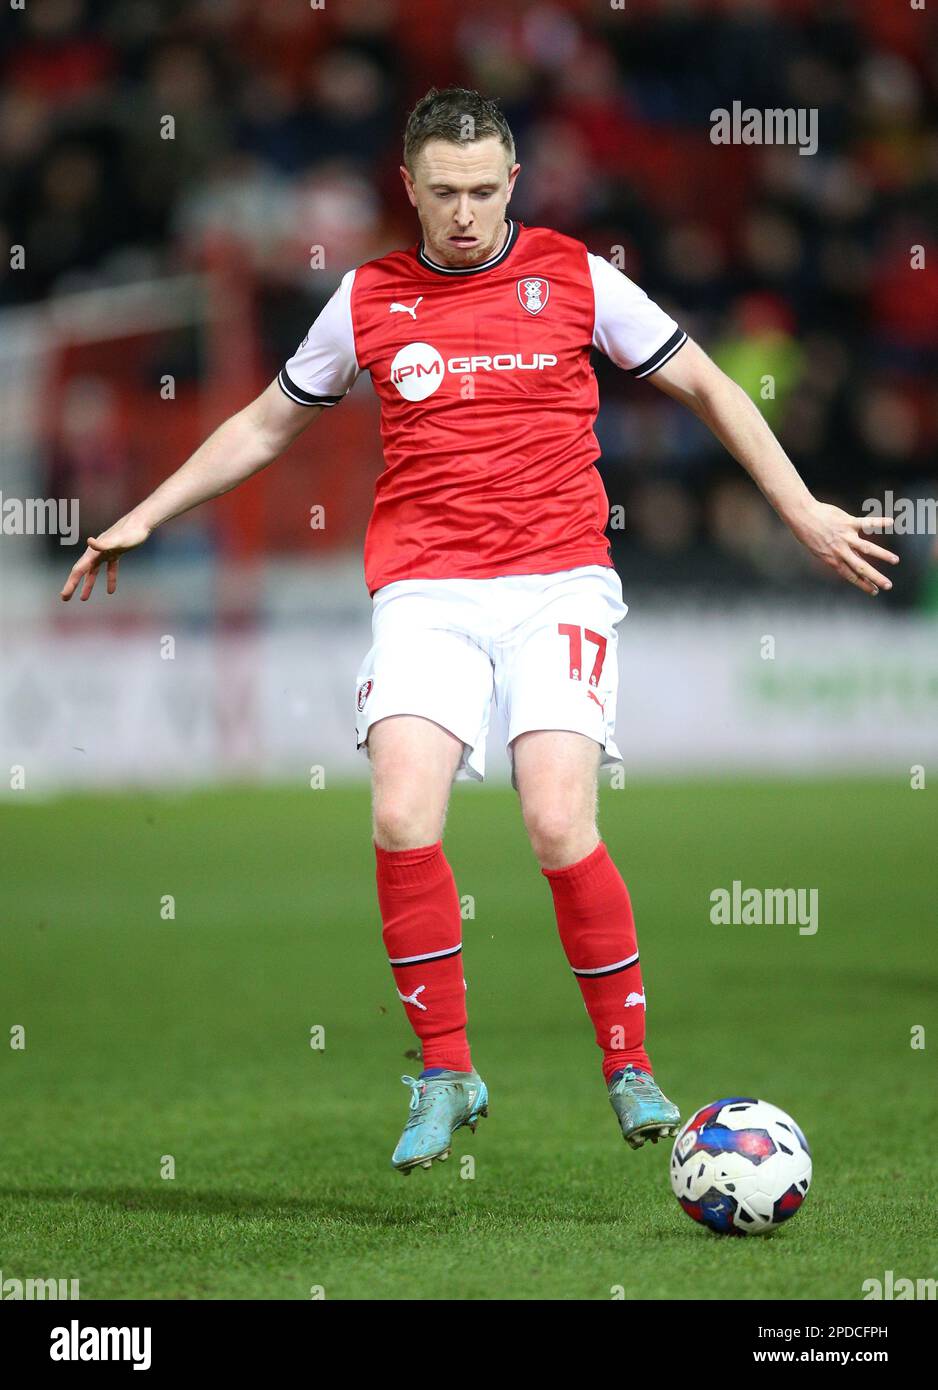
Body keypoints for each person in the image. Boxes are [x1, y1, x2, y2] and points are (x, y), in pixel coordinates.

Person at [61, 87, 898, 1173]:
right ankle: (447, 1068)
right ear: (406, 186)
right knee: (402, 810)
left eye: (483, 189)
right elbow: (266, 421)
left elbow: (701, 382)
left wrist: (798, 508)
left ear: (514, 181)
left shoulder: (576, 277)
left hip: (559, 582)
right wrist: (143, 512)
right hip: (424, 587)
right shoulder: (366, 299)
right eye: (442, 192)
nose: (463, 212)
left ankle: (627, 1064)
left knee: (555, 821)